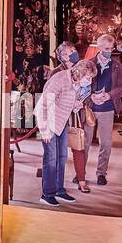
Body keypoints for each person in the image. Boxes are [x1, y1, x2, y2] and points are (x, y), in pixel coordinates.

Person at [34, 58, 98, 207]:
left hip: (61, 122)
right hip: (49, 121)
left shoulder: (75, 83)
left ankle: (59, 190)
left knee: (62, 157)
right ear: (79, 72)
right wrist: (43, 130)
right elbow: (43, 104)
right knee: (51, 158)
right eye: (88, 77)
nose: (89, 81)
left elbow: (65, 100)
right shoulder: (60, 79)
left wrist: (75, 105)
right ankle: (47, 193)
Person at [85, 33, 122, 186]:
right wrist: (91, 96)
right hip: (90, 108)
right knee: (85, 142)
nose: (108, 51)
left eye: (111, 48)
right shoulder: (89, 63)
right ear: (99, 47)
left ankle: (101, 173)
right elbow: (80, 87)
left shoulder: (117, 65)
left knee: (106, 144)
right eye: (105, 48)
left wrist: (109, 95)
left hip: (108, 108)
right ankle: (80, 173)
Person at [54, 41, 95, 193]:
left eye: (73, 50)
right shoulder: (57, 72)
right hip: (61, 118)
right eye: (68, 52)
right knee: (59, 152)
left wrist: (83, 102)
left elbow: (89, 91)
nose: (73, 53)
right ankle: (57, 185)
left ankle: (81, 180)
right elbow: (52, 96)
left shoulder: (84, 68)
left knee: (79, 147)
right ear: (62, 57)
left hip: (78, 116)